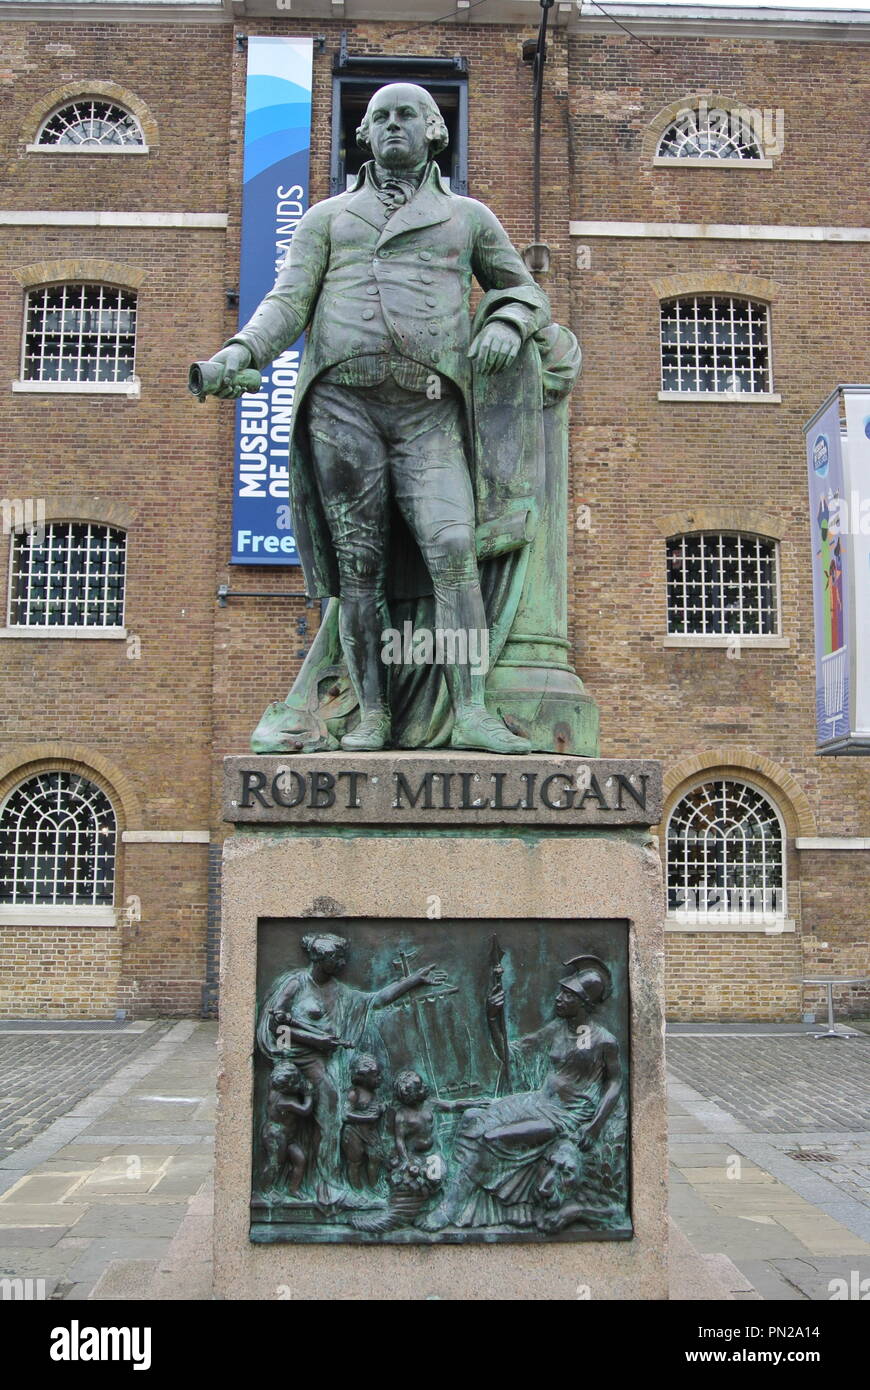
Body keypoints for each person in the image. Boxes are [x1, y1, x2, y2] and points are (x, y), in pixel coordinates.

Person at [205, 82, 552, 755]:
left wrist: (508, 320)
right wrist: (240, 353)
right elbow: (287, 302)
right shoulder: (327, 218)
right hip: (343, 409)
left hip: (428, 414)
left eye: (407, 116)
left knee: (453, 552)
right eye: (380, 118)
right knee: (358, 572)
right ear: (364, 136)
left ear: (434, 132)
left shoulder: (468, 218)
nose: (393, 126)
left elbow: (523, 289)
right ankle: (372, 717)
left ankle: (473, 713)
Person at [420, 956, 622, 1230]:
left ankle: (450, 1208)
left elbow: (614, 1083)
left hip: (566, 1117)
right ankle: (457, 1196)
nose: (558, 998)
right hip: (539, 1102)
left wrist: (595, 1127)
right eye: (561, 992)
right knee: (470, 1118)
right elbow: (511, 1051)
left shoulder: (605, 1041)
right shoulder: (556, 1029)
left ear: (583, 1003)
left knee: (490, 1137)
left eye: (567, 994)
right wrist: (493, 1016)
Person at [257, 932, 446, 1199]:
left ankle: (328, 1181)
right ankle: (313, 1184)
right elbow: (278, 1026)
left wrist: (413, 980)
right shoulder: (296, 984)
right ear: (319, 959)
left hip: (322, 1060)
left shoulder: (338, 991)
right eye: (336, 958)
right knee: (330, 1107)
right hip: (294, 1056)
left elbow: (375, 1000)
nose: (343, 963)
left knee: (331, 1112)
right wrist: (314, 1039)